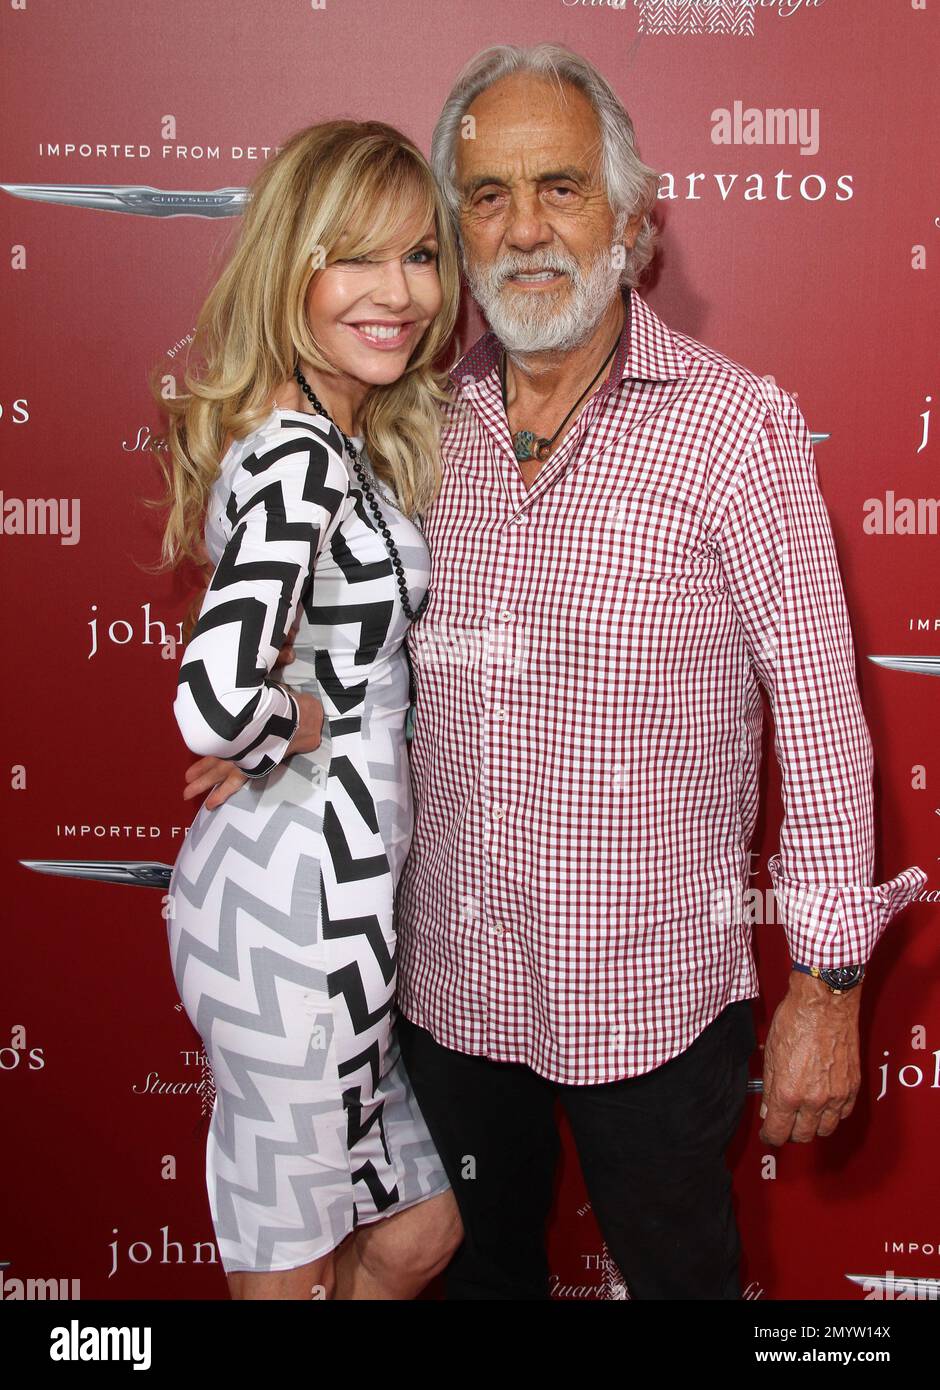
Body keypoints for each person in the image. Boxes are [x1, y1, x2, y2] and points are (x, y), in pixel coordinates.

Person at [185, 46, 927, 1301]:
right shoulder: (414, 422)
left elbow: (822, 727)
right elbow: (330, 623)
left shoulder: (737, 431)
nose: (523, 228)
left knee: (682, 1279)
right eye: (483, 196)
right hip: (444, 995)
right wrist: (287, 725)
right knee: (470, 1281)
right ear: (455, 228)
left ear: (631, 218)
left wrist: (827, 983)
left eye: (561, 188)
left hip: (652, 1006)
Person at [150, 119, 463, 1300]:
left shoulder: (341, 438)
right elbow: (217, 698)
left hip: (341, 908)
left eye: (422, 257)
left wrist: (307, 712)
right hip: (292, 920)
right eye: (358, 259)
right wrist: (304, 724)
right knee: (287, 1277)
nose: (400, 294)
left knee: (418, 1233)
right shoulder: (299, 458)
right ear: (293, 267)